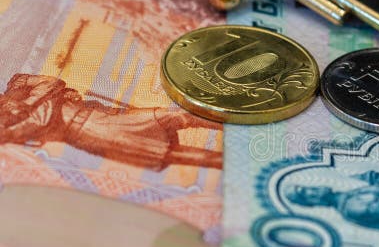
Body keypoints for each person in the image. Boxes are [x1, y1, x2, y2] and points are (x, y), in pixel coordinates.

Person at [0, 73, 222, 170]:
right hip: (89, 134)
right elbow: (40, 121)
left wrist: (30, 103)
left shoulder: (18, 84)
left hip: (103, 114)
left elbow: (53, 82)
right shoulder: (4, 129)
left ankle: (232, 122)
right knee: (171, 153)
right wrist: (46, 103)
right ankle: (226, 164)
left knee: (172, 116)